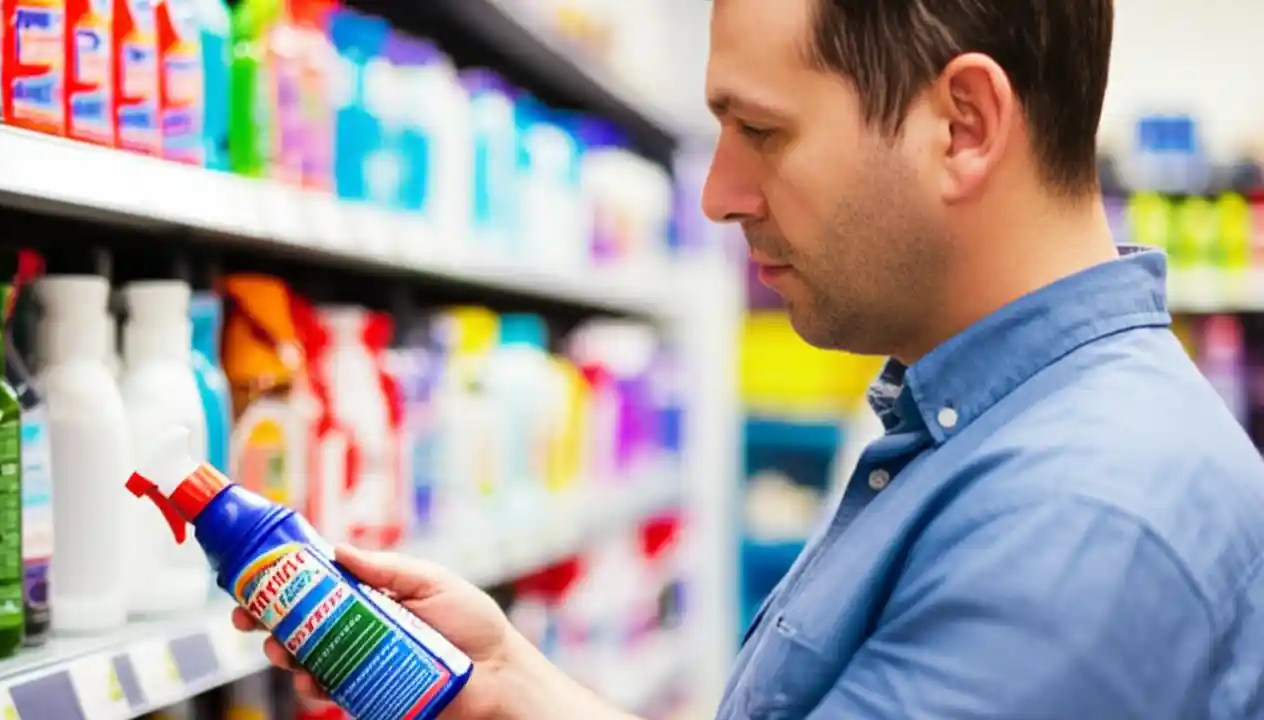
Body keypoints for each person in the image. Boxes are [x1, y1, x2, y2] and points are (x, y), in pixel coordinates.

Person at [236, 0, 1264, 717]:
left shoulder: (1080, 519)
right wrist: (508, 681)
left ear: (961, 126)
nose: (717, 193)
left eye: (759, 130)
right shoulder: (1001, 434)